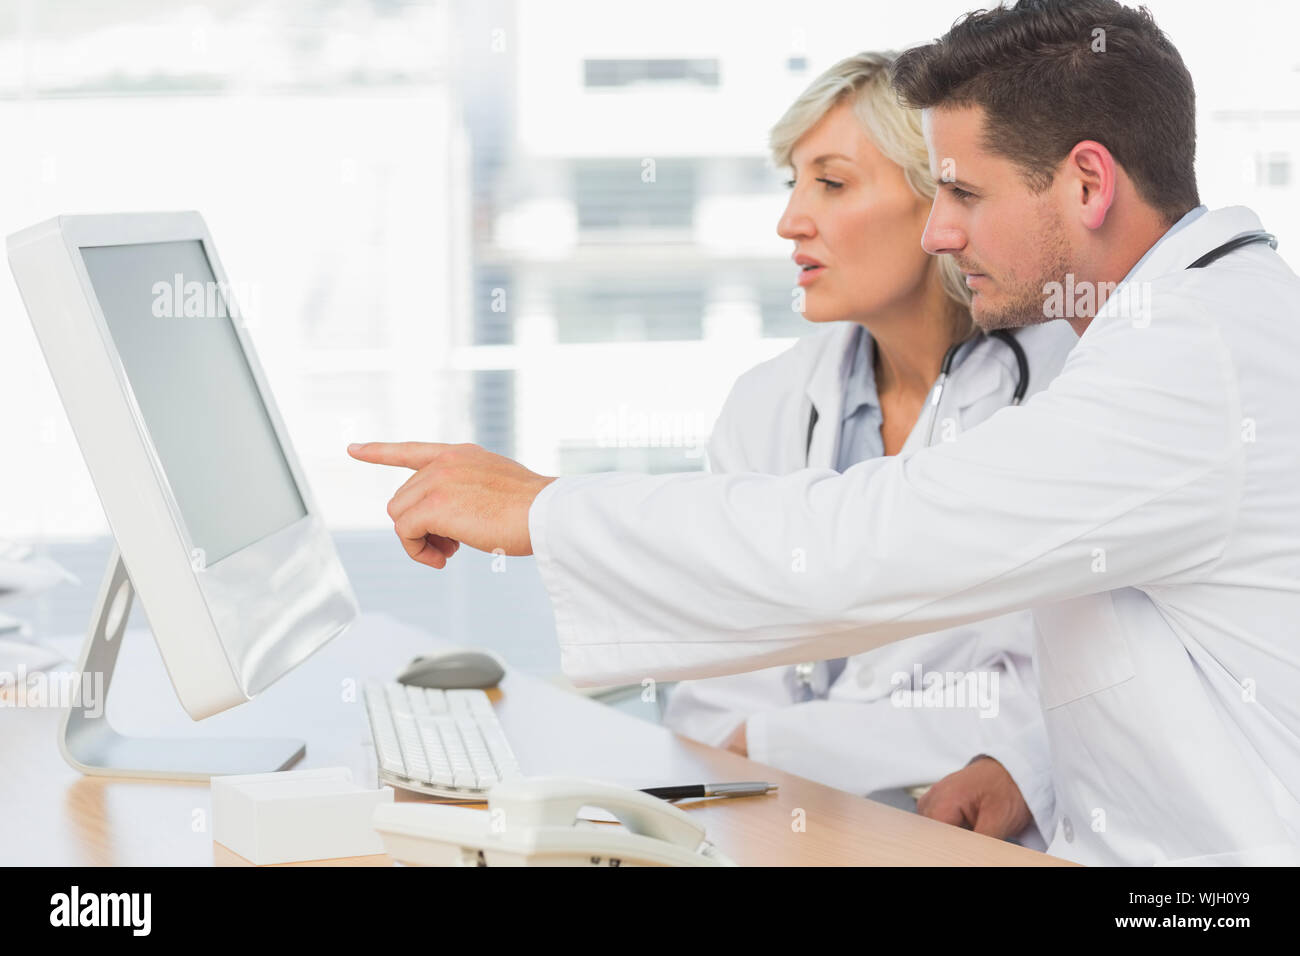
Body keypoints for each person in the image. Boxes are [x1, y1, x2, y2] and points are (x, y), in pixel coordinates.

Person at [348, 0, 1300, 865]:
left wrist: (545, 512)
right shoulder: (1174, 331)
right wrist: (1024, 766)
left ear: (1088, 184)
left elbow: (877, 540)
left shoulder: (1186, 358)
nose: (939, 233)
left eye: (965, 194)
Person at [658, 51, 1076, 848]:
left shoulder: (1062, 390)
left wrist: (780, 743)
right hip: (776, 831)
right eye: (794, 182)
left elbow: (1050, 696)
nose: (791, 220)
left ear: (940, 198)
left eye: (832, 183)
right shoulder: (768, 405)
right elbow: (714, 684)